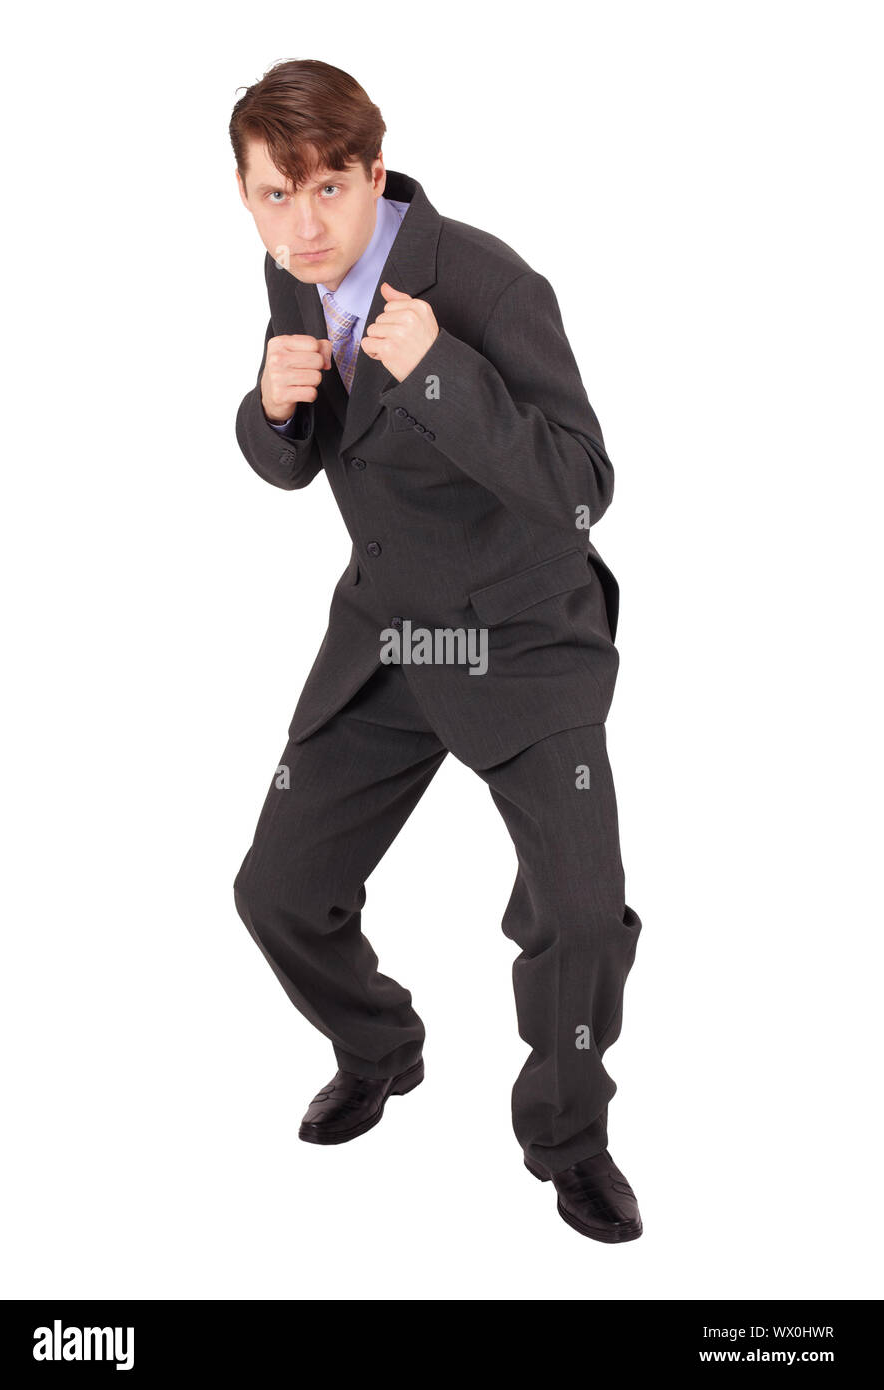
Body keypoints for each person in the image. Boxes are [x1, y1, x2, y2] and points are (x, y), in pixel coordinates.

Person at [229, 58, 644, 1243]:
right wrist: (265, 411)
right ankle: (380, 1048)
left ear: (373, 168)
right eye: (272, 195)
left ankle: (568, 1138)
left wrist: (442, 374)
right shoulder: (293, 272)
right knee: (275, 892)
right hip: (389, 633)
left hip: (522, 633)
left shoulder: (491, 287)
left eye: (326, 190)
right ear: (246, 194)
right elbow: (301, 456)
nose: (302, 225)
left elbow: (583, 489)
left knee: (578, 915)